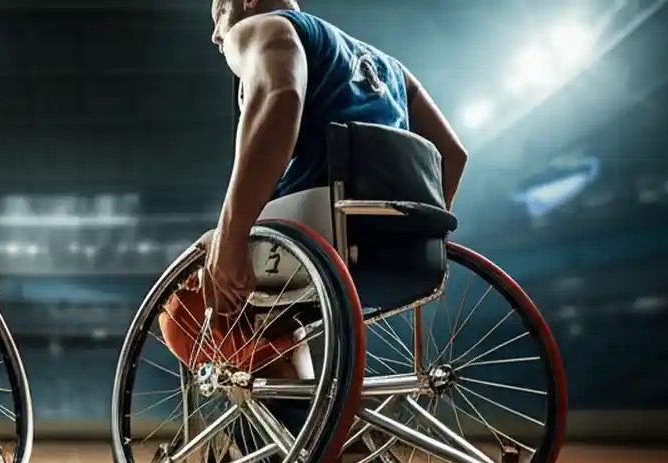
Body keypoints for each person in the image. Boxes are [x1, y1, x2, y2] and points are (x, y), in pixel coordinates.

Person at [161, 0, 469, 379]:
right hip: (403, 249)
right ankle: (319, 416)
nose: (215, 34)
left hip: (319, 233)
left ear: (247, 2)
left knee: (185, 301)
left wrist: (231, 232)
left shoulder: (264, 28)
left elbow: (280, 97)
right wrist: (420, 229)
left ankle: (301, 421)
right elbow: (451, 154)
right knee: (271, 322)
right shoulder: (390, 69)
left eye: (219, 15)